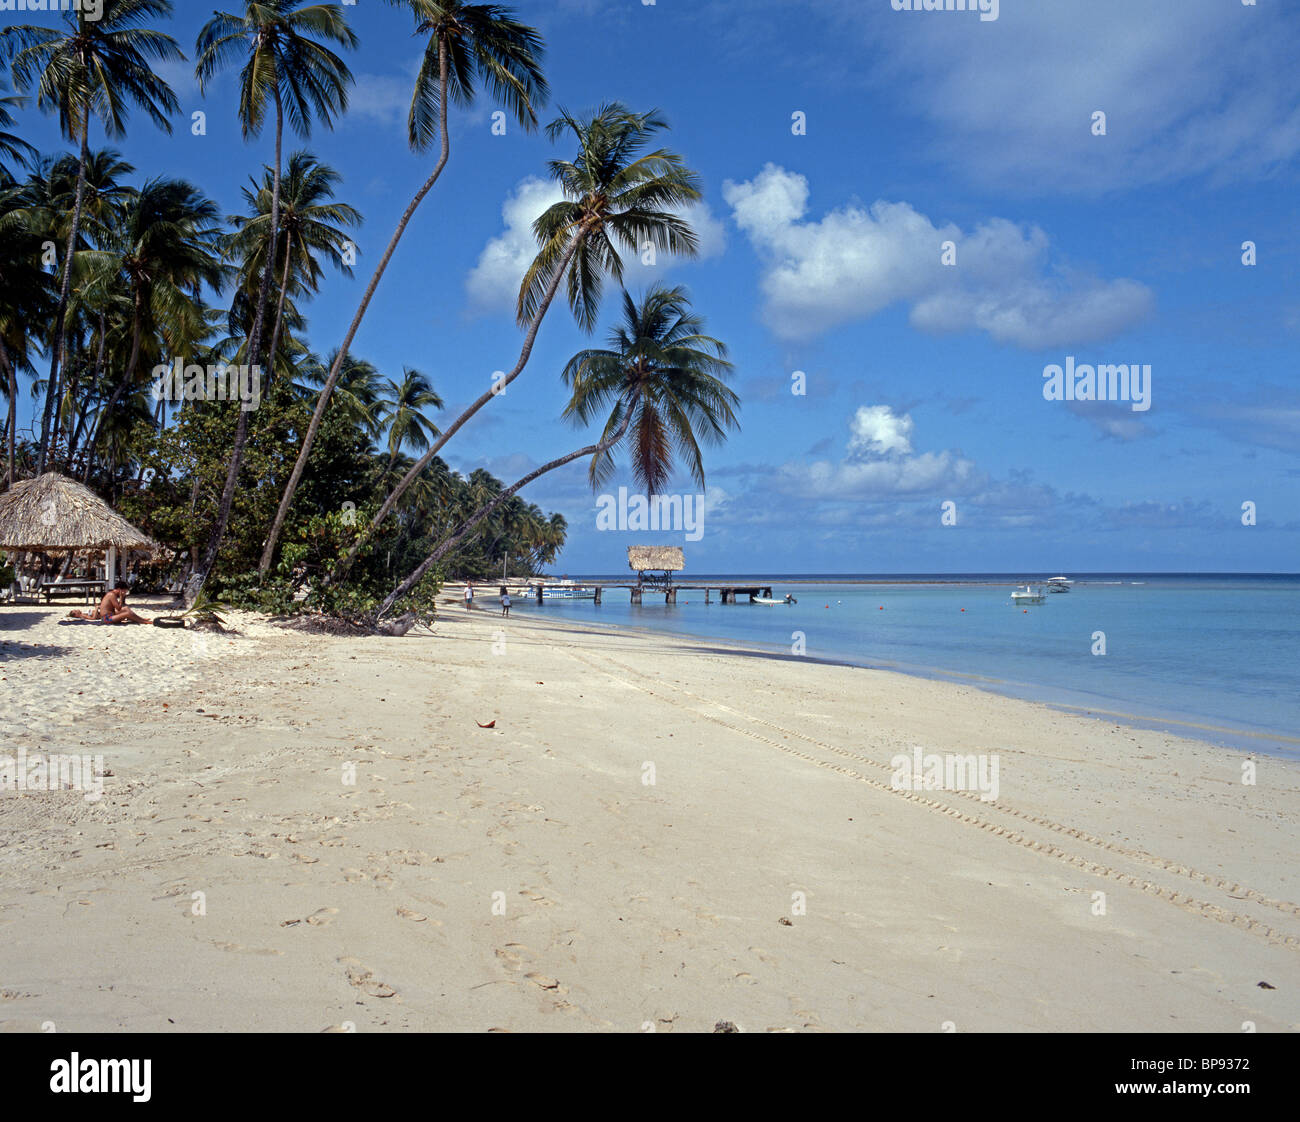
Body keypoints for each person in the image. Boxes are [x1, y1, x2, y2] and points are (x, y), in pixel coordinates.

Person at [69, 580, 152, 625]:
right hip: (106, 619)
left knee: (126, 609)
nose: (125, 592)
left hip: (110, 615)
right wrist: (121, 597)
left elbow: (118, 608)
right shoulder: (111, 595)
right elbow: (118, 608)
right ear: (120, 589)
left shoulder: (111, 594)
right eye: (124, 591)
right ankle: (144, 622)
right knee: (127, 613)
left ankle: (141, 619)